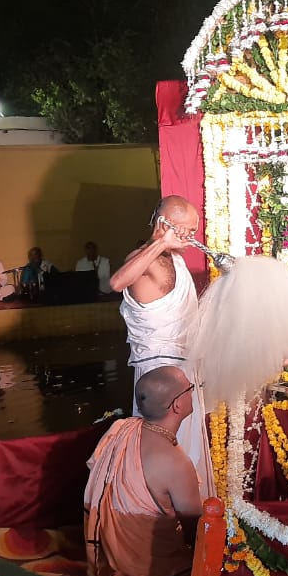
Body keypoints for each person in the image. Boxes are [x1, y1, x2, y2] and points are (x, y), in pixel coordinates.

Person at [109, 196, 215, 499]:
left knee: (191, 448)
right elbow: (116, 282)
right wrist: (159, 242)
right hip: (159, 375)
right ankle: (164, 516)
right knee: (165, 447)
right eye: (187, 231)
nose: (192, 238)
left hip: (185, 371)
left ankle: (199, 520)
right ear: (167, 225)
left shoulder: (176, 260)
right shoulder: (145, 257)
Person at [84, 366, 201, 576]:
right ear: (177, 405)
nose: (194, 392)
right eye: (190, 389)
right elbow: (197, 534)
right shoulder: (176, 464)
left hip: (114, 566)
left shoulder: (120, 430)